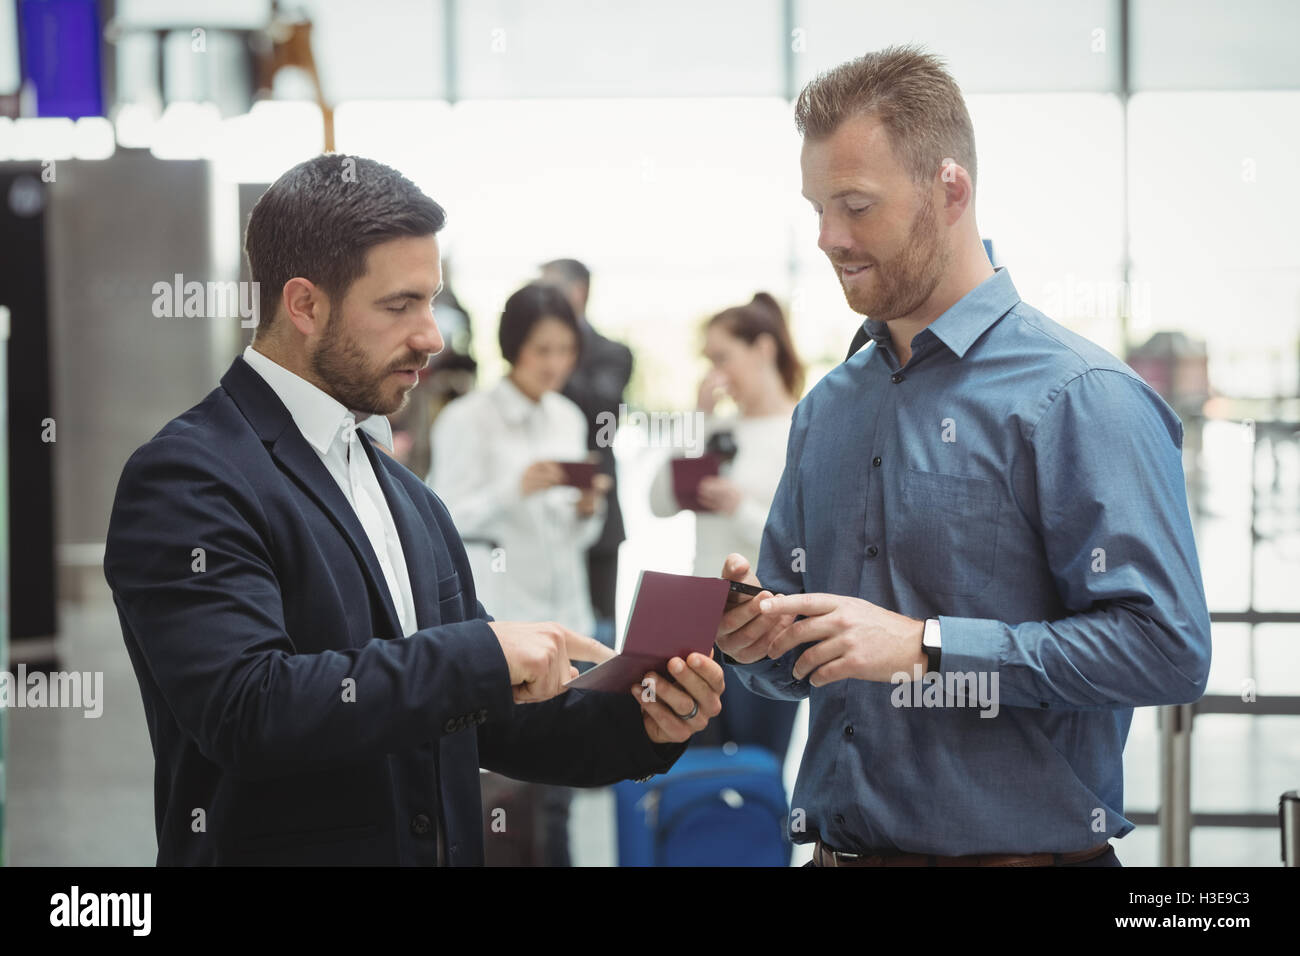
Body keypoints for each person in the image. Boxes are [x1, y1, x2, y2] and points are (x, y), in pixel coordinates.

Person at [102, 153, 724, 866]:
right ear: (303, 305)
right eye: (400, 306)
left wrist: (646, 718)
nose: (432, 336)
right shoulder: (190, 475)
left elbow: (489, 718)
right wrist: (478, 653)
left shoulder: (406, 497)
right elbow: (248, 710)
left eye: (430, 301)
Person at [715, 45, 1212, 868]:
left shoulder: (1079, 396)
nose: (830, 238)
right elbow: (800, 661)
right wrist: (756, 640)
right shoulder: (831, 407)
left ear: (951, 189)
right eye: (818, 210)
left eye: (856, 205)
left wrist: (926, 646)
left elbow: (1167, 648)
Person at [650, 293, 802, 762]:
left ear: (763, 348)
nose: (715, 375)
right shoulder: (717, 431)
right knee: (697, 763)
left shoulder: (802, 429)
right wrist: (697, 420)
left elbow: (804, 544)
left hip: (766, 622)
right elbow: (658, 502)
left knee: (760, 764)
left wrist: (740, 508)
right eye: (709, 362)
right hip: (700, 620)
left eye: (723, 358)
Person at [540, 258, 633, 650]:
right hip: (542, 515)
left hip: (595, 506)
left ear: (577, 292)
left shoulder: (613, 353)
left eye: (550, 289)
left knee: (599, 633)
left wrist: (558, 354)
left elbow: (603, 414)